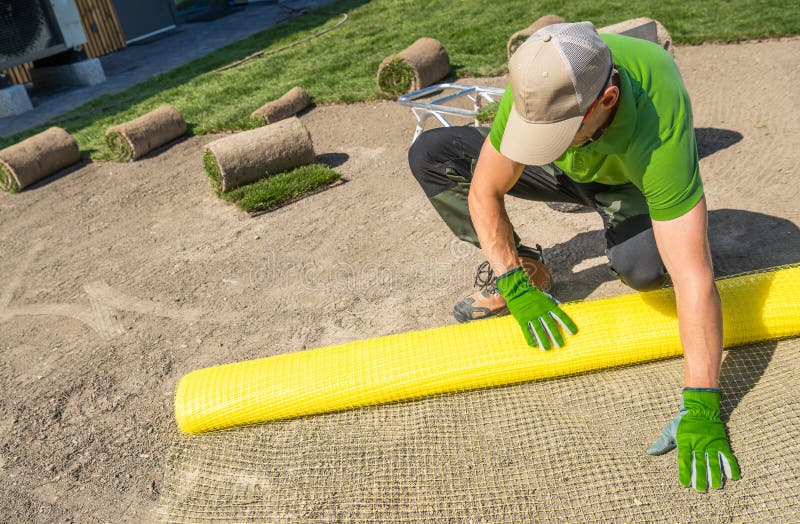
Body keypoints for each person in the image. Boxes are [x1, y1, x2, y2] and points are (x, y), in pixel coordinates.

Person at [408, 21, 739, 492]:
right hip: (569, 166)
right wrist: (512, 281)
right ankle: (529, 266)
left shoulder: (658, 112)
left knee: (645, 271)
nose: (540, 140)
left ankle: (624, 215)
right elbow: (485, 190)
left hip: (630, 180)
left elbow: (694, 278)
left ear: (606, 100)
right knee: (432, 153)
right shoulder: (541, 81)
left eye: (557, 130)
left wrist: (702, 403)